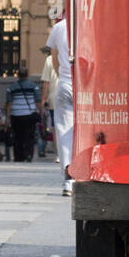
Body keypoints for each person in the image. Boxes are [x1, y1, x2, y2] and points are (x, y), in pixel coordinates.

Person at [46, 11, 74, 196]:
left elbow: (54, 58)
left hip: (65, 83)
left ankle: (69, 179)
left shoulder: (58, 27)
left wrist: (64, 76)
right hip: (89, 84)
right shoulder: (89, 22)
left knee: (64, 130)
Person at [5, 67, 41, 162]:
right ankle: (29, 155)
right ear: (27, 75)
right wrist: (40, 112)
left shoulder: (11, 88)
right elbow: (38, 101)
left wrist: (7, 118)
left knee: (17, 137)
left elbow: (8, 103)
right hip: (29, 115)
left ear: (18, 75)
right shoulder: (34, 87)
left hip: (16, 115)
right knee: (30, 136)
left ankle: (18, 157)